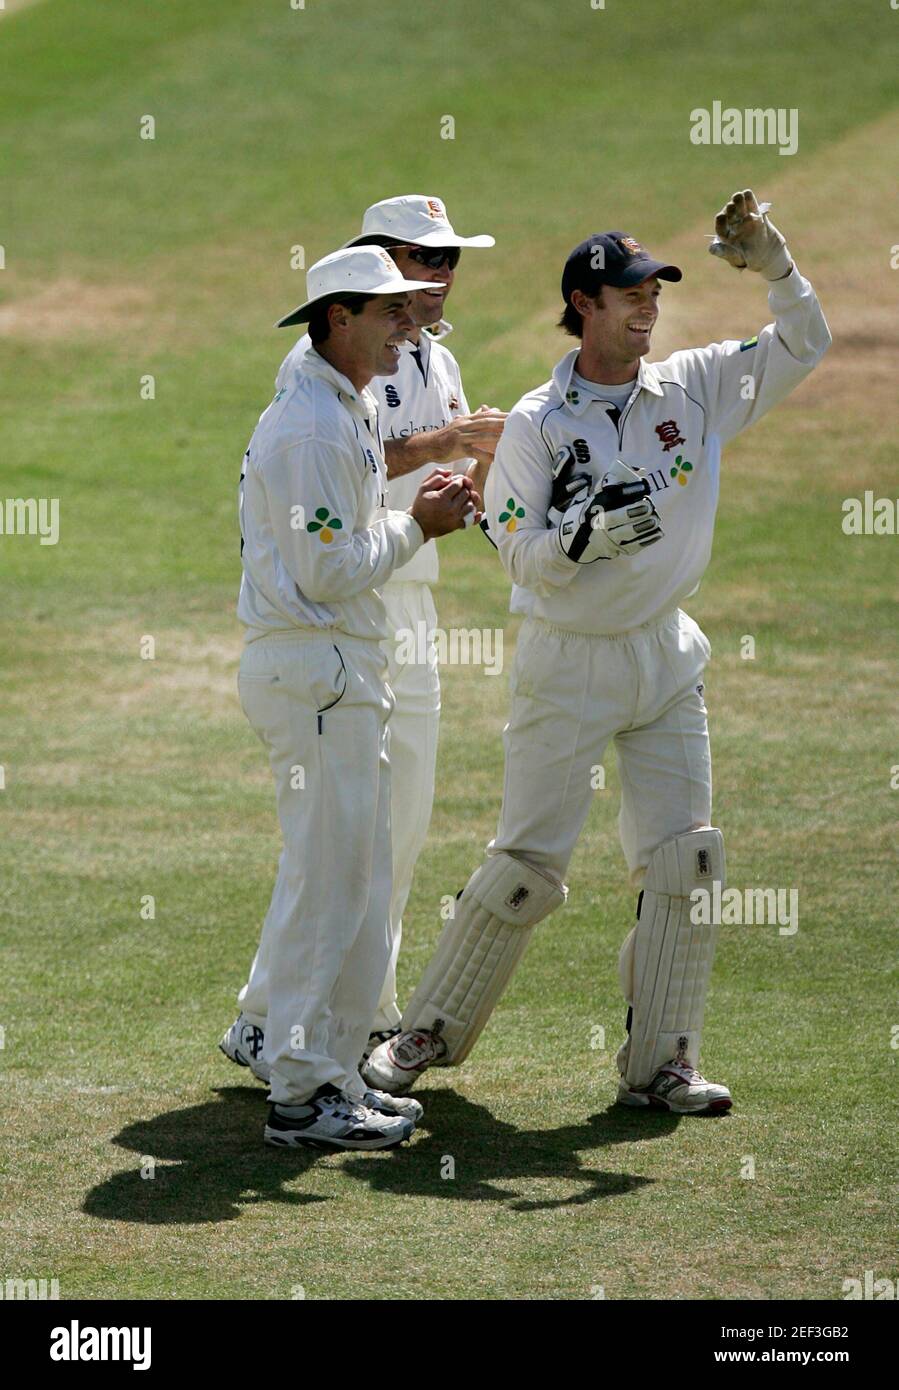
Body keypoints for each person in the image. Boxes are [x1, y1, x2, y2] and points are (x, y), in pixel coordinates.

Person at [363, 190, 831, 1115]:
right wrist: (582, 541)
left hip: (664, 656)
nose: (648, 308)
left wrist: (774, 263)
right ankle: (425, 1035)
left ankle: (662, 1062)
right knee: (529, 866)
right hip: (567, 659)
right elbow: (519, 558)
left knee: (685, 861)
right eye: (629, 295)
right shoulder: (539, 422)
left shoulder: (693, 386)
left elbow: (803, 343)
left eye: (654, 290)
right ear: (584, 303)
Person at [222, 196, 506, 1080]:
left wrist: (489, 470)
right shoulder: (319, 362)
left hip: (400, 606)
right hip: (339, 606)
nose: (440, 272)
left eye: (450, 256)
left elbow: (452, 485)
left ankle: (356, 1014)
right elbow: (343, 468)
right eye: (422, 256)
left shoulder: (434, 357)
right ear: (373, 266)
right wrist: (443, 443)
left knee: (396, 826)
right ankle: (275, 1022)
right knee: (337, 841)